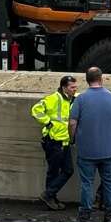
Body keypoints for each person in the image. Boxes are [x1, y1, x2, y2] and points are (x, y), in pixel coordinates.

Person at [68, 66, 111, 222]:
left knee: (87, 183)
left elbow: (72, 123)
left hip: (87, 149)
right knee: (109, 181)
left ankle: (84, 217)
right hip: (110, 149)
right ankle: (109, 217)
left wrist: (72, 138)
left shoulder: (81, 99)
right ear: (101, 79)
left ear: (87, 80)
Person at [31, 75, 77, 210]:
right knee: (54, 172)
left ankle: (49, 195)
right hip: (54, 142)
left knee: (67, 170)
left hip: (65, 141)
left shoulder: (73, 99)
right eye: (72, 87)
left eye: (75, 87)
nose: (75, 89)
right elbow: (35, 110)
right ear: (64, 88)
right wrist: (48, 123)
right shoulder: (53, 98)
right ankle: (50, 197)